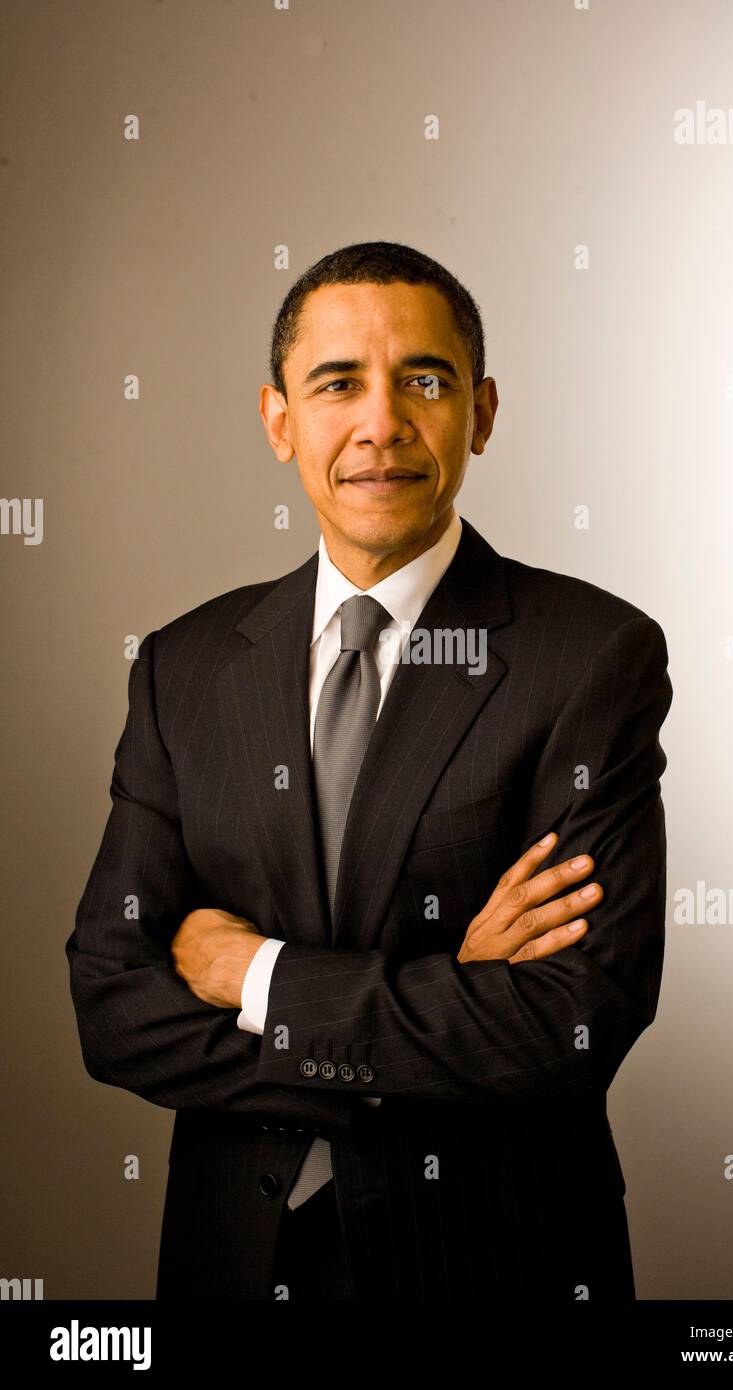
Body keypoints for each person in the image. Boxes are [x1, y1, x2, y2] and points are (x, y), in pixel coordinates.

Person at [66, 240, 672, 1301]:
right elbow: (112, 1005)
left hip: (494, 1268)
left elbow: (568, 1023)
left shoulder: (589, 656)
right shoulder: (184, 667)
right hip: (233, 1263)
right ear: (278, 419)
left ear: (479, 412)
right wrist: (438, 1010)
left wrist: (254, 975)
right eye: (337, 383)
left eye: (424, 381)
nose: (381, 423)